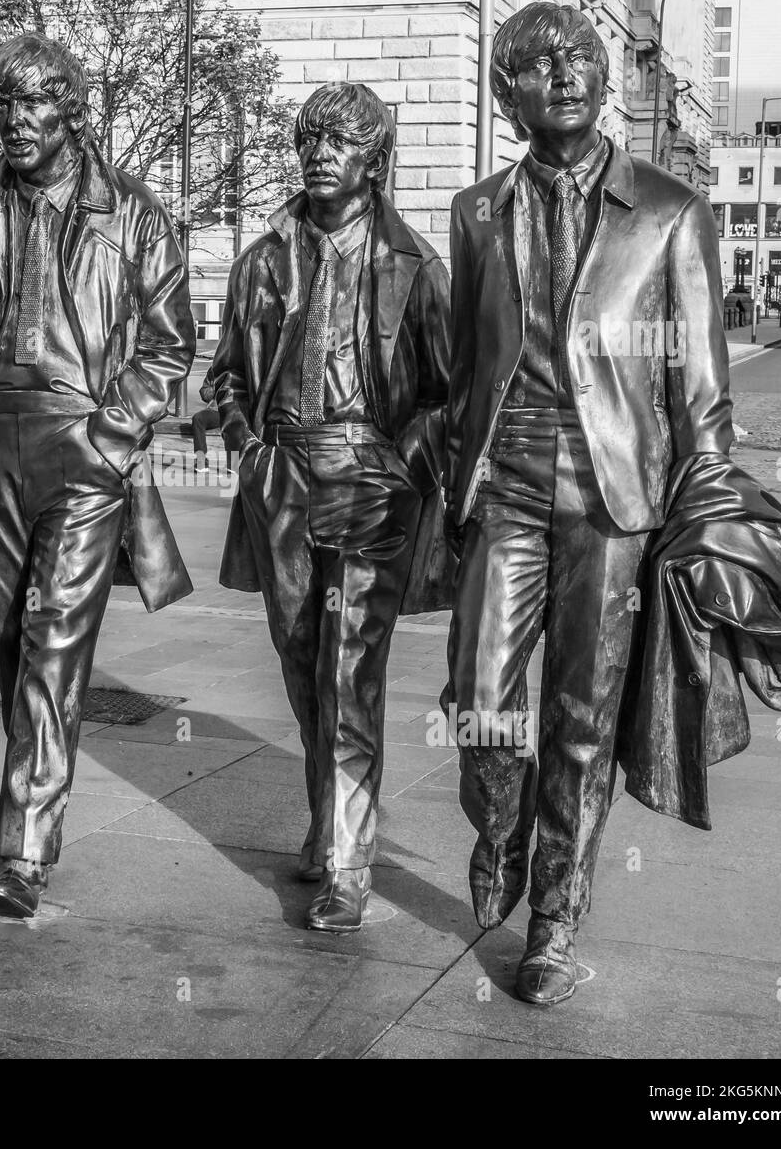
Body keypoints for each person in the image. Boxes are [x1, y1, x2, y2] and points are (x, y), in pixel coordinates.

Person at [443, 3, 734, 1005]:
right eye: (535, 63)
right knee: (480, 699)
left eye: (578, 58)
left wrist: (706, 511)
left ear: (602, 77)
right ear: (506, 91)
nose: (563, 74)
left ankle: (554, 919)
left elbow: (698, 386)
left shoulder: (666, 208)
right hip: (508, 481)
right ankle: (499, 823)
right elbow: (461, 363)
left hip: (615, 495)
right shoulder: (477, 211)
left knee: (580, 716)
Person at [0, 33, 195, 918]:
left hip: (82, 449)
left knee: (52, 645)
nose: (15, 119)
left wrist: (110, 434)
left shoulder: (135, 213)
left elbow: (168, 344)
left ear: (69, 107)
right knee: (7, 651)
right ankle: (33, 789)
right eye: (1, 104)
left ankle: (24, 850)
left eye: (34, 101)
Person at [208, 83, 452, 932]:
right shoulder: (262, 259)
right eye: (309, 138)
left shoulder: (415, 268)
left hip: (366, 476)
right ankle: (328, 814)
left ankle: (350, 863)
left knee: (350, 673)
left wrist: (399, 464)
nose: (319, 153)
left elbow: (447, 396)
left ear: (374, 159)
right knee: (302, 660)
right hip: (281, 474)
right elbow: (224, 376)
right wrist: (245, 443)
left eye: (340, 141)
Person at [190, 380, 222, 471]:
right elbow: (204, 394)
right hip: (217, 411)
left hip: (236, 409)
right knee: (198, 418)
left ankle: (234, 462)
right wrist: (216, 388)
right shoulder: (214, 370)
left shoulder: (240, 367)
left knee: (235, 422)